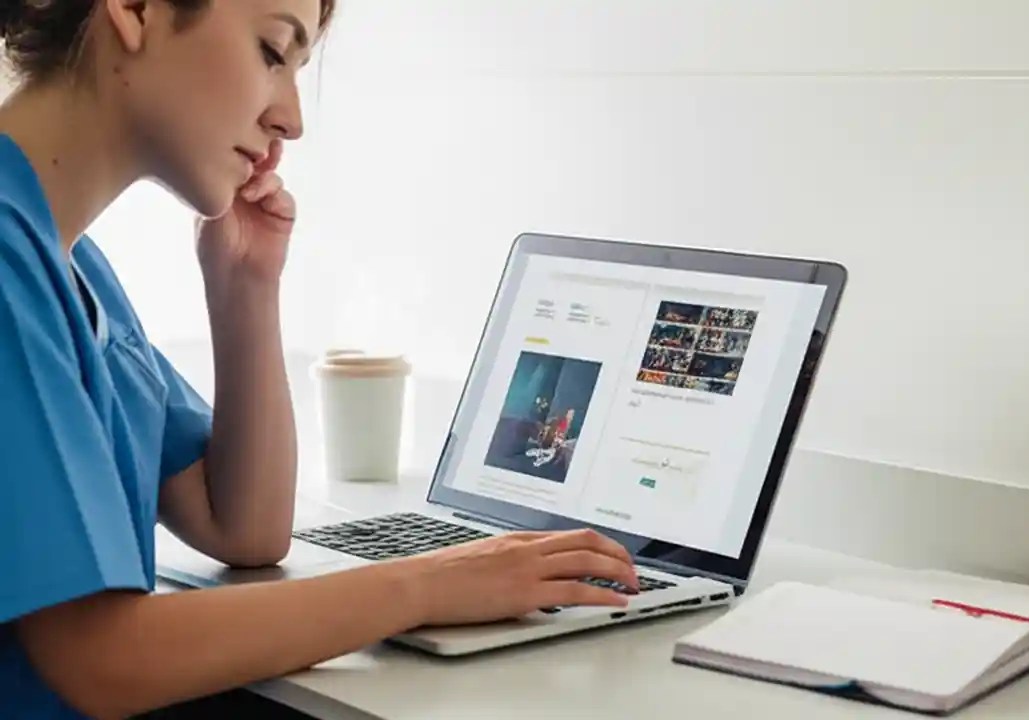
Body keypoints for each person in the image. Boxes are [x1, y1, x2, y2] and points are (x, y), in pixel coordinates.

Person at [0, 2, 637, 718]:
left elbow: (242, 528)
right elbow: (103, 659)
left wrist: (246, 287)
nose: (291, 119)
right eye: (273, 52)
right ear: (137, 9)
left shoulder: (68, 263)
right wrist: (428, 585)